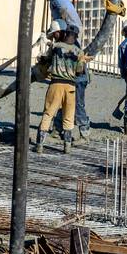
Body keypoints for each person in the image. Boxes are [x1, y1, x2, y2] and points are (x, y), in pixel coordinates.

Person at [35, 23, 86, 155]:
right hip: (70, 87)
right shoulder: (79, 52)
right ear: (75, 37)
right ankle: (67, 147)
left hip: (56, 84)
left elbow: (46, 60)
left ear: (65, 34)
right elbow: (80, 72)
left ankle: (39, 145)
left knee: (48, 114)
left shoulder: (56, 47)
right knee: (68, 117)